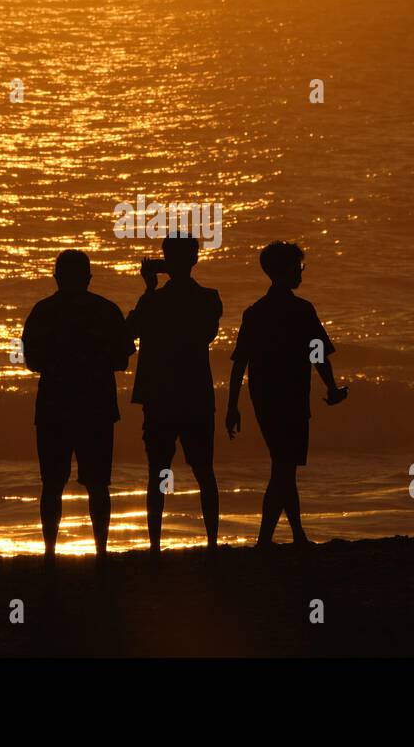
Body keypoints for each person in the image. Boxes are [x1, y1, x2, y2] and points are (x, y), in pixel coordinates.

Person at [226, 241, 347, 547]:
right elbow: (318, 354)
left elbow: (240, 362)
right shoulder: (301, 310)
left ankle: (296, 534)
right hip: (292, 396)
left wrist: (232, 406)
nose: (301, 273)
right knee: (283, 466)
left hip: (263, 398)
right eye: (298, 267)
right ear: (286, 270)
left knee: (284, 465)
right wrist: (331, 388)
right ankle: (266, 539)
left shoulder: (255, 312)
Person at [22, 249, 135, 560]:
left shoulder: (42, 311)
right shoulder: (106, 310)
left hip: (53, 406)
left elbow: (31, 360)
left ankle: (49, 552)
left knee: (52, 483)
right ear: (88, 277)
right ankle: (100, 550)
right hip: (96, 406)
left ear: (56, 276)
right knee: (98, 484)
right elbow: (124, 357)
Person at [125, 234, 223, 552]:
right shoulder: (209, 298)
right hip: (194, 393)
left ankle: (155, 545)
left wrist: (148, 290)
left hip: (160, 396)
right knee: (203, 469)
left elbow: (128, 333)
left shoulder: (154, 301)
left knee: (159, 470)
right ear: (194, 260)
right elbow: (206, 334)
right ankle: (210, 543)